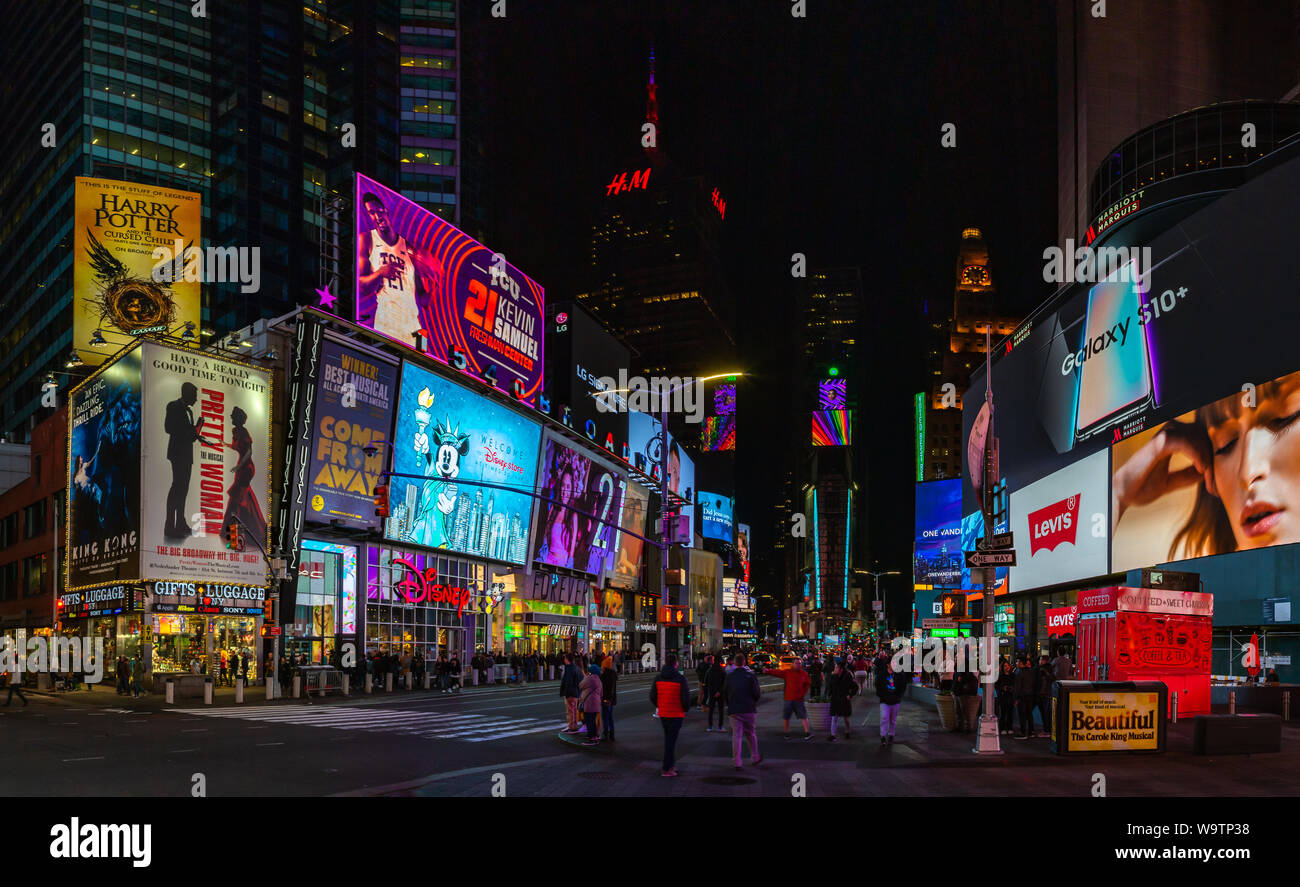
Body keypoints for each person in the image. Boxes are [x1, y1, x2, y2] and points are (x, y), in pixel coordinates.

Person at [163, 381, 204, 538]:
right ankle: (170, 525)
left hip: (187, 455)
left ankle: (180, 522)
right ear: (186, 394)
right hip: (178, 453)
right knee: (177, 487)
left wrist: (196, 433)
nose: (196, 399)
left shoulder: (190, 412)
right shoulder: (173, 406)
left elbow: (189, 435)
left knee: (183, 489)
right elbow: (169, 428)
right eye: (194, 396)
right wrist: (189, 433)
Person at [222, 406, 267, 542]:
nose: (230, 417)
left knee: (238, 499)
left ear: (237, 418)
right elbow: (238, 447)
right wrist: (227, 444)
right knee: (241, 498)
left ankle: (237, 535)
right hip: (242, 467)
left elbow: (248, 452)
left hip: (246, 468)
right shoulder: (236, 431)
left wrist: (239, 466)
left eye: (232, 415)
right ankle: (247, 531)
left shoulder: (244, 432)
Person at [649, 653, 691, 776]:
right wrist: (685, 708)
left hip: (664, 713)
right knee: (671, 742)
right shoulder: (680, 678)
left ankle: (669, 766)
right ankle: (667, 768)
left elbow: (652, 695)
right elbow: (685, 698)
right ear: (675, 663)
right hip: (676, 714)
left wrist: (660, 705)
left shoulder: (658, 678)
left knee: (669, 739)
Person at [724, 653, 762, 769]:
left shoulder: (729, 676)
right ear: (744, 662)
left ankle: (737, 762)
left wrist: (730, 704)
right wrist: (753, 702)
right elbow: (756, 693)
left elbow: (725, 692)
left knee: (737, 736)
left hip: (734, 710)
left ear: (735, 663)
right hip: (749, 708)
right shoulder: (750, 676)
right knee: (751, 733)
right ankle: (755, 757)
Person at [763, 658, 814, 741]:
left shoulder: (804, 673)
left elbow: (808, 684)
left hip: (798, 699)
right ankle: (786, 733)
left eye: (799, 663)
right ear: (793, 664)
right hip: (789, 698)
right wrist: (768, 671)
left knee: (803, 716)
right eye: (796, 663)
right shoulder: (788, 672)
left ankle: (807, 732)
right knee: (787, 717)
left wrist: (802, 693)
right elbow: (777, 673)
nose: (798, 665)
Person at [875, 655, 906, 745]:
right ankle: (883, 736)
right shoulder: (882, 674)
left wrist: (899, 696)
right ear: (888, 664)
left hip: (895, 700)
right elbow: (878, 685)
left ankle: (891, 734)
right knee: (884, 718)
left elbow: (903, 686)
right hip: (884, 700)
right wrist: (881, 695)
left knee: (893, 720)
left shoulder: (899, 674)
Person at [827, 660, 858, 741]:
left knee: (846, 717)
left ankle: (847, 731)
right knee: (834, 717)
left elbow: (855, 687)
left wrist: (850, 695)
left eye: (836, 667)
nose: (835, 669)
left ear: (841, 669)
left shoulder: (848, 676)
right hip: (835, 699)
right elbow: (830, 686)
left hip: (844, 699)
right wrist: (830, 694)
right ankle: (833, 735)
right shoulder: (833, 676)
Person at [578, 664, 603, 745]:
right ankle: (593, 736)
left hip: (589, 703)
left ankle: (592, 739)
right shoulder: (599, 680)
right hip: (596, 703)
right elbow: (601, 693)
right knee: (592, 720)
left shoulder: (590, 678)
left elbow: (580, 685)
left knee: (589, 720)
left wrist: (586, 677)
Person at [1013, 655, 1037, 739]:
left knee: (1022, 715)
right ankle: (1031, 731)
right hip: (1030, 695)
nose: (1016, 663)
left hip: (1022, 696)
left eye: (1017, 661)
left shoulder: (1019, 672)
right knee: (1029, 714)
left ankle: (1023, 732)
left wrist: (1015, 698)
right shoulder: (1031, 671)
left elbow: (1017, 687)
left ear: (1020, 663)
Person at [704, 654, 728, 731]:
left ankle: (710, 726)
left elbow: (706, 681)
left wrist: (712, 691)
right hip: (720, 693)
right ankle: (720, 727)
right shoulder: (722, 670)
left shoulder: (709, 670)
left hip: (712, 692)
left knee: (711, 710)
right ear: (720, 661)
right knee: (721, 710)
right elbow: (725, 683)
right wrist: (719, 691)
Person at [560, 654, 583, 733]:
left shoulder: (569, 669)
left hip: (570, 692)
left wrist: (566, 692)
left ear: (567, 660)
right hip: (576, 692)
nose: (564, 660)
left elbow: (568, 682)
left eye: (565, 658)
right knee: (574, 710)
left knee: (570, 711)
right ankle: (574, 725)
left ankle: (571, 727)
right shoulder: (577, 668)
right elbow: (581, 680)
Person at [994, 661, 1016, 735]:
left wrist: (1011, 689)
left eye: (1008, 666)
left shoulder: (1013, 675)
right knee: (1002, 713)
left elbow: (1016, 685)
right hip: (1002, 696)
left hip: (1010, 696)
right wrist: (1002, 688)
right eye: (1005, 666)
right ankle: (1002, 728)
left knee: (1010, 713)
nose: (1007, 667)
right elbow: (996, 686)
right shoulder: (1000, 676)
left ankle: (1009, 728)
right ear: (1002, 667)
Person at [600, 656, 618, 742]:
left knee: (605, 716)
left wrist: (605, 699)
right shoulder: (613, 675)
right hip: (611, 699)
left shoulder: (605, 676)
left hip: (606, 699)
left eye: (602, 666)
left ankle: (605, 733)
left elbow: (605, 689)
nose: (601, 667)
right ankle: (612, 734)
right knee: (610, 716)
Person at [1036, 654, 1055, 737]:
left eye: (1041, 660)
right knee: (1047, 713)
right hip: (1048, 694)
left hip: (1044, 694)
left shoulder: (1042, 670)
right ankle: (1047, 730)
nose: (1039, 661)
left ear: (1044, 661)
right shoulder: (1051, 669)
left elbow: (1042, 682)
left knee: (1045, 713)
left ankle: (1046, 730)